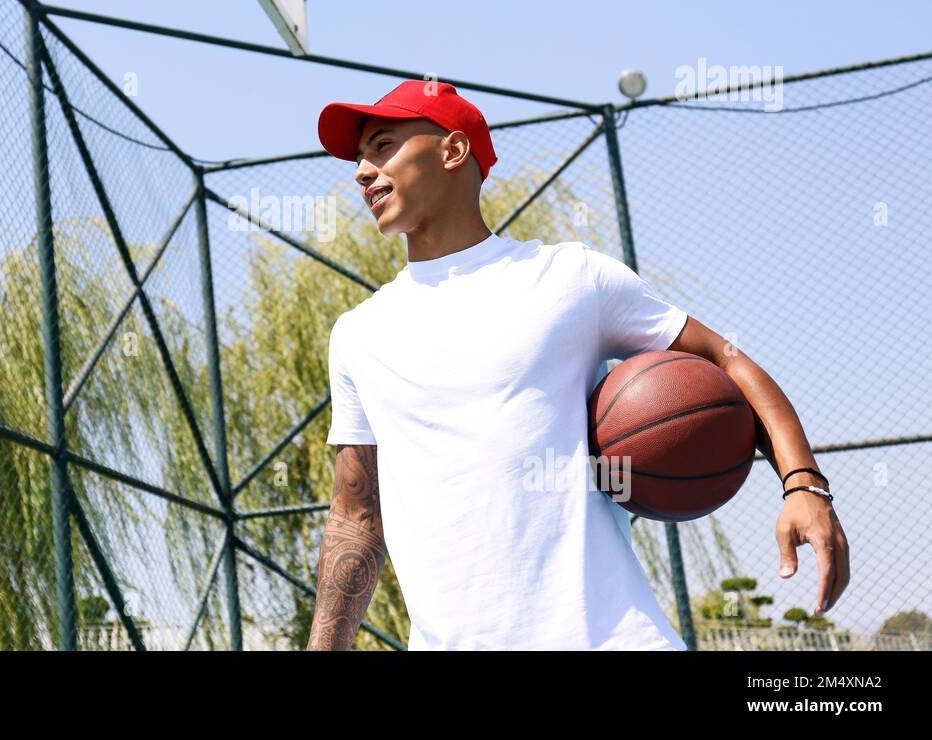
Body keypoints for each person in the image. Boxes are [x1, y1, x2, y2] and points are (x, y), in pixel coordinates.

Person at [305, 78, 850, 650]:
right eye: (359, 157)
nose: (363, 171)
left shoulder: (569, 278)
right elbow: (357, 511)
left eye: (383, 145)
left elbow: (728, 360)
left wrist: (804, 485)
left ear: (452, 150)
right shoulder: (359, 333)